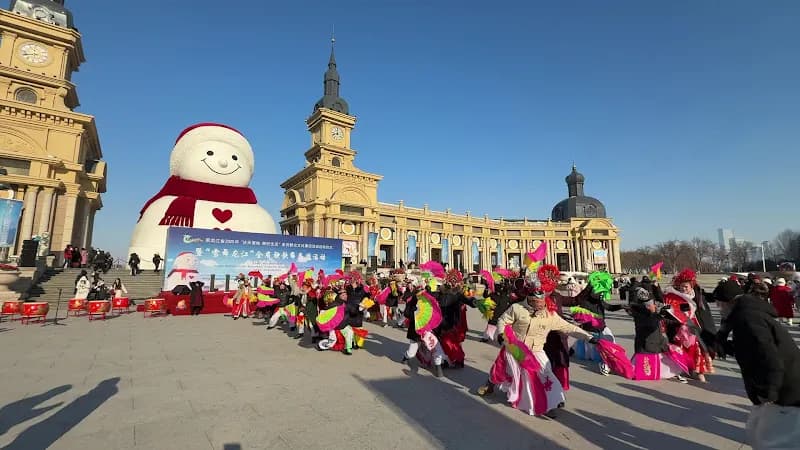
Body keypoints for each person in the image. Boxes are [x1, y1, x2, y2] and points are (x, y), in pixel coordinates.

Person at [477, 280, 599, 418]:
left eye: (541, 301)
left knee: (545, 375)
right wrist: (500, 334)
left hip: (536, 350)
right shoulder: (517, 308)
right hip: (515, 346)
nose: (539, 304)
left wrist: (588, 337)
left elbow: (569, 327)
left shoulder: (549, 315)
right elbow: (502, 320)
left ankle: (549, 403)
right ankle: (490, 385)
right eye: (536, 301)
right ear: (529, 298)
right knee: (501, 368)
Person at [716, 292, 800, 449]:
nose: (719, 309)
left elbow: (769, 358)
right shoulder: (746, 315)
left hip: (785, 390)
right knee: (765, 436)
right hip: (783, 389)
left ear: (729, 303)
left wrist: (769, 392)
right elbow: (750, 350)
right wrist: (719, 338)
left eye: (719, 304)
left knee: (776, 441)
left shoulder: (747, 319)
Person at [663, 269, 715, 383]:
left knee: (698, 351)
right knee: (683, 352)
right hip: (680, 331)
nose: (683, 289)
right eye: (682, 286)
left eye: (686, 286)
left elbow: (704, 315)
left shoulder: (699, 297)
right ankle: (687, 370)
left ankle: (699, 373)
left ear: (691, 286)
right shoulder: (674, 297)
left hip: (695, 330)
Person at [628, 287, 688, 383]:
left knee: (672, 357)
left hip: (659, 343)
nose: (654, 306)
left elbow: (667, 321)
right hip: (646, 347)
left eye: (653, 304)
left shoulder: (654, 313)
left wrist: (679, 318)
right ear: (646, 306)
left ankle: (675, 373)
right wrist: (660, 314)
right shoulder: (640, 316)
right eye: (652, 305)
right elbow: (651, 324)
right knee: (643, 372)